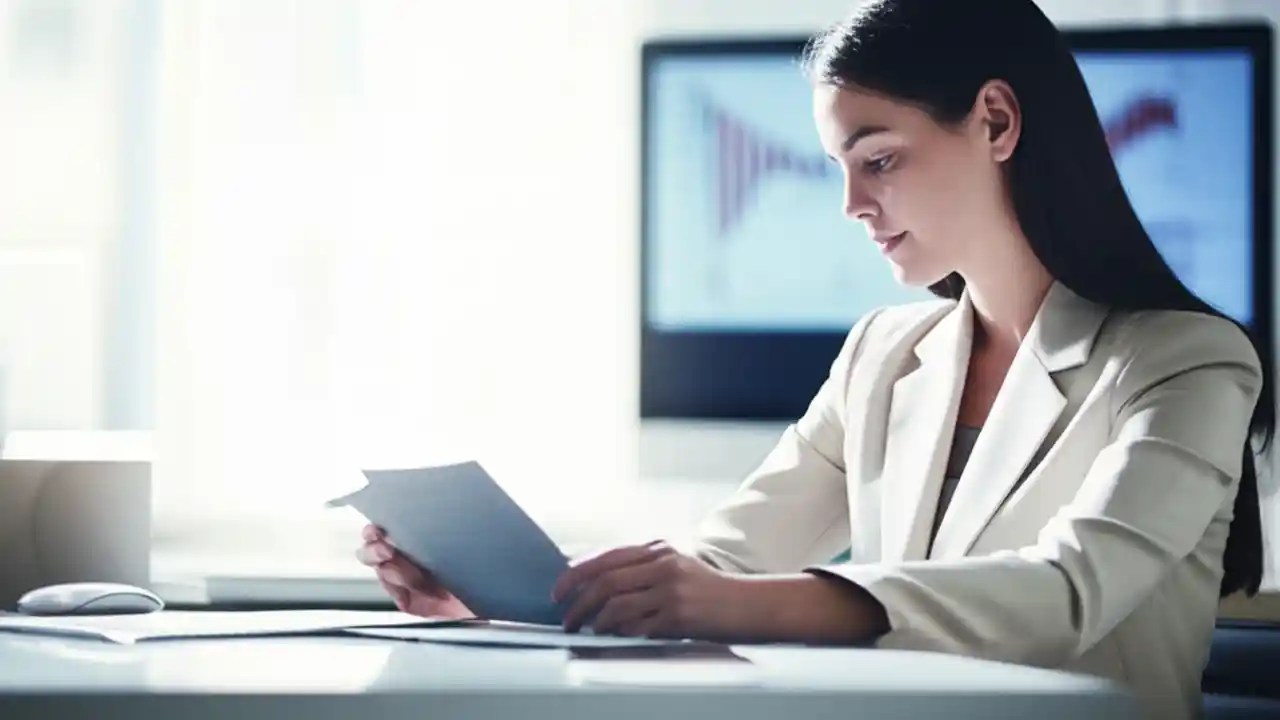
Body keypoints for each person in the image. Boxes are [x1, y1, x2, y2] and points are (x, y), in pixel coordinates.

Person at [355, 0, 1272, 717]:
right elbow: (725, 560)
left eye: (878, 159)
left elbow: (1071, 590)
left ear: (996, 122)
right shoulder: (884, 353)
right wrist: (500, 600)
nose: (851, 205)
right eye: (838, 167)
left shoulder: (1186, 360)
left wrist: (722, 602)